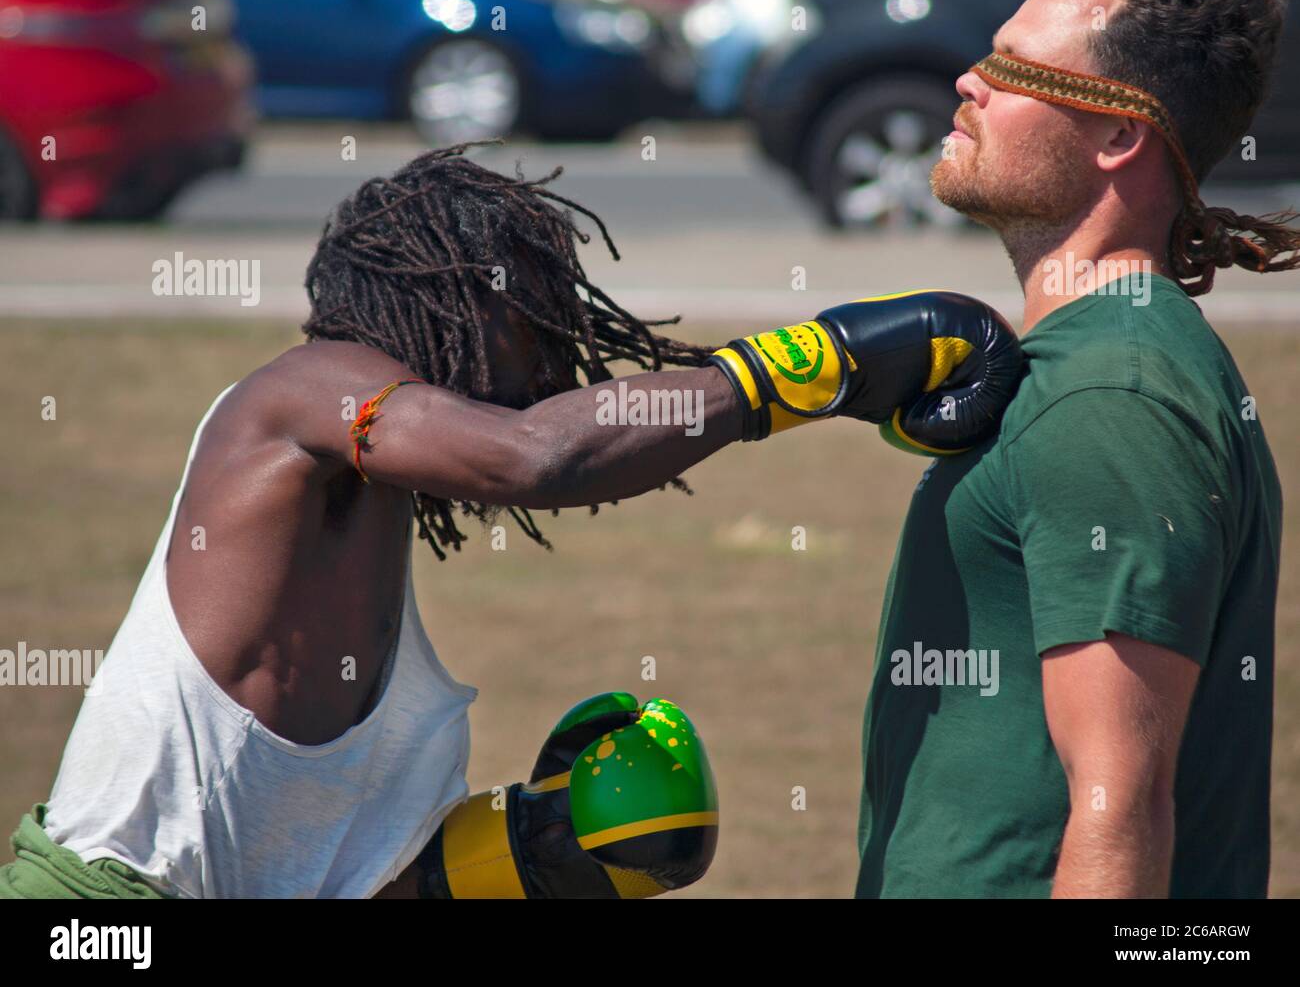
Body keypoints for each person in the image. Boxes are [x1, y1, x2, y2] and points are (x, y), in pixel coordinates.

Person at [0, 145, 1021, 899]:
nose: (549, 365)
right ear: (446, 297)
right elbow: (536, 455)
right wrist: (811, 366)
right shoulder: (305, 392)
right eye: (533, 320)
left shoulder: (358, 538)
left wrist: (532, 851)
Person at [856, 0, 1298, 899]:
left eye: (1013, 69)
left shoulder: (1114, 393)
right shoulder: (1098, 358)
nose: (970, 82)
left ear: (1115, 135)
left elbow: (1122, 804)